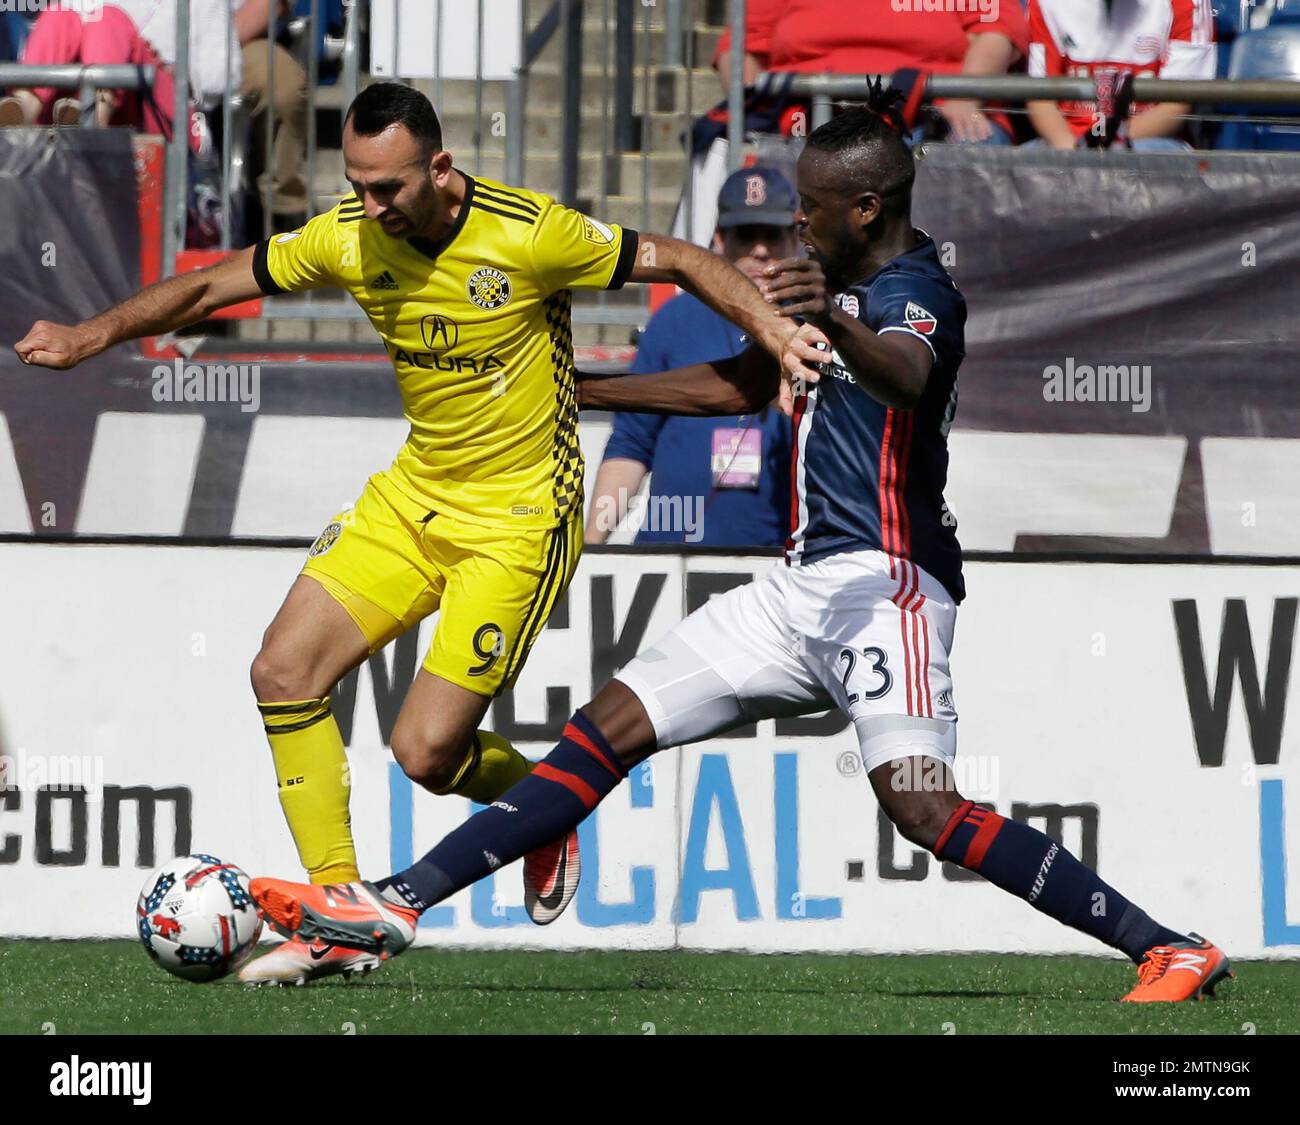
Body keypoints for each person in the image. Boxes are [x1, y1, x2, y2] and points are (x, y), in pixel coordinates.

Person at [248, 88, 1232, 1003]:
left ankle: (1164, 946)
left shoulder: (916, 291)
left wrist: (831, 319)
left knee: (925, 810)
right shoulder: (831, 291)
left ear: (867, 206)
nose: (796, 224)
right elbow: (734, 384)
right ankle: (391, 904)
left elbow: (901, 376)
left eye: (811, 207)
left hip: (886, 585)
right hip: (795, 592)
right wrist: (581, 391)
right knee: (606, 729)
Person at [13, 82, 821, 985]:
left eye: (388, 187)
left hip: (521, 520)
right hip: (414, 497)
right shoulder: (352, 237)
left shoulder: (530, 233)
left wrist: (776, 329)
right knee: (280, 672)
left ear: (440, 169)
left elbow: (676, 257)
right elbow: (213, 280)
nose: (370, 207)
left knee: (425, 753)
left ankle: (539, 805)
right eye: (357, 185)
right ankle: (340, 912)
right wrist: (94, 335)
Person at [587, 166, 795, 550]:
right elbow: (632, 444)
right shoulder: (672, 321)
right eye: (746, 236)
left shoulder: (811, 330)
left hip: (775, 564)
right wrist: (593, 546)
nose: (761, 250)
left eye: (773, 235)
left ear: (795, 241)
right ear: (719, 239)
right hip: (669, 557)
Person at [712, 0, 1028, 145]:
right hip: (807, 121)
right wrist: (753, 115)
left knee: (972, 143)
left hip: (931, 116)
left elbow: (995, 34)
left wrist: (965, 96)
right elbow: (740, 49)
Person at [0, 0, 237, 142]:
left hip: (162, 106)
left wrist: (177, 71)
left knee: (110, 21)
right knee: (59, 14)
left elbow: (227, 72)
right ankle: (22, 111)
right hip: (78, 97)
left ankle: (94, 122)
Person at [1026, 0, 1216, 151]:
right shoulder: (1045, 2)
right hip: (1068, 139)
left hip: (1149, 141)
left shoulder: (1189, 2)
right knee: (1012, 165)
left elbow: (1176, 107)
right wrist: (1072, 148)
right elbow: (1041, 100)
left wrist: (1111, 143)